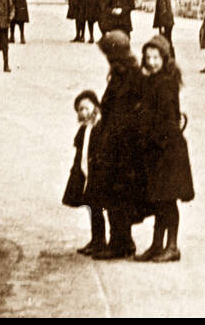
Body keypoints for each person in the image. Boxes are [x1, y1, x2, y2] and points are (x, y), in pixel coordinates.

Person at [86, 31, 148, 260]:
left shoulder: (133, 75)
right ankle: (121, 241)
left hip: (125, 148)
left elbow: (137, 111)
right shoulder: (121, 73)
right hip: (114, 144)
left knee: (119, 194)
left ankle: (120, 243)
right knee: (112, 193)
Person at [135, 35, 193, 263]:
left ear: (164, 58)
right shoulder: (152, 80)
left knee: (168, 200)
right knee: (158, 199)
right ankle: (157, 244)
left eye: (156, 57)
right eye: (148, 57)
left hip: (168, 150)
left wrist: (155, 139)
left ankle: (172, 246)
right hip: (156, 149)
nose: (151, 62)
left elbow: (168, 120)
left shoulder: (166, 83)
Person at [62, 90, 105, 256]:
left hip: (98, 174)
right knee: (92, 207)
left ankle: (100, 241)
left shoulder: (99, 127)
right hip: (87, 173)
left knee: (97, 207)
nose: (84, 112)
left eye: (87, 108)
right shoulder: (85, 129)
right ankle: (96, 240)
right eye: (80, 109)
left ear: (95, 107)